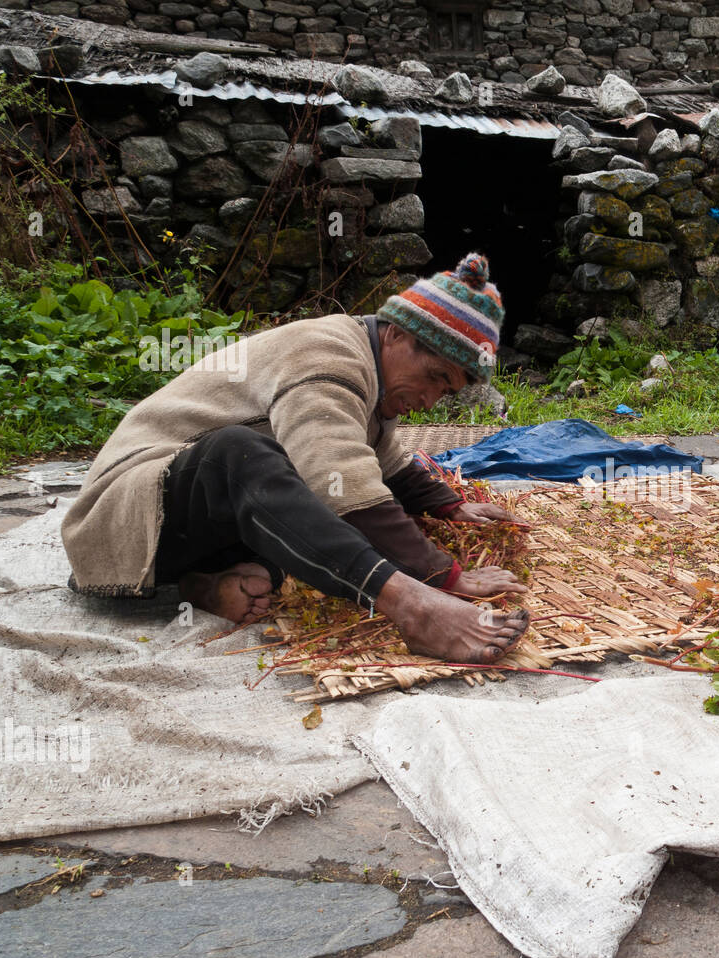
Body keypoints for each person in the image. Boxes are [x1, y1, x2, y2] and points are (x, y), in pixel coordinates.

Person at [61, 252, 531, 665]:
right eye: (434, 377)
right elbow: (344, 480)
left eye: (444, 392)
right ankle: (413, 608)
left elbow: (384, 463)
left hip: (189, 537)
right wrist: (439, 575)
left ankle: (200, 584)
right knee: (242, 454)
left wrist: (449, 505)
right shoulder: (329, 355)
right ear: (395, 335)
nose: (430, 401)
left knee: (307, 519)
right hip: (127, 515)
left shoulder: (373, 379)